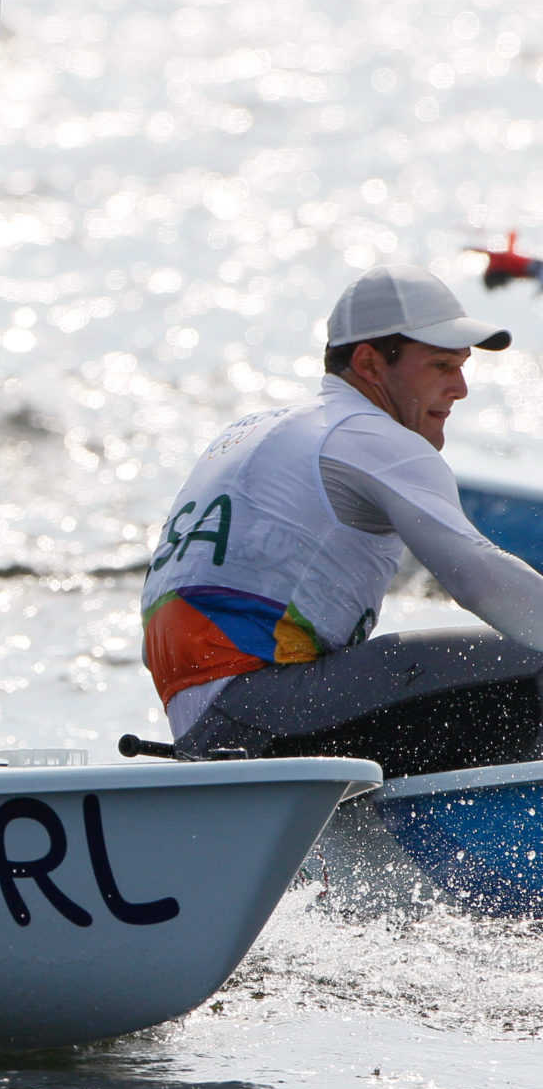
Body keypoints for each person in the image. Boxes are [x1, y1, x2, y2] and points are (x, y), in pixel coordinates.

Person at [140, 263, 543, 777]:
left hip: (211, 727)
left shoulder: (251, 429)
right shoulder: (372, 437)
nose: (460, 388)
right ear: (370, 364)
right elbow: (480, 579)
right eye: (441, 365)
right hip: (260, 711)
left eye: (463, 366)